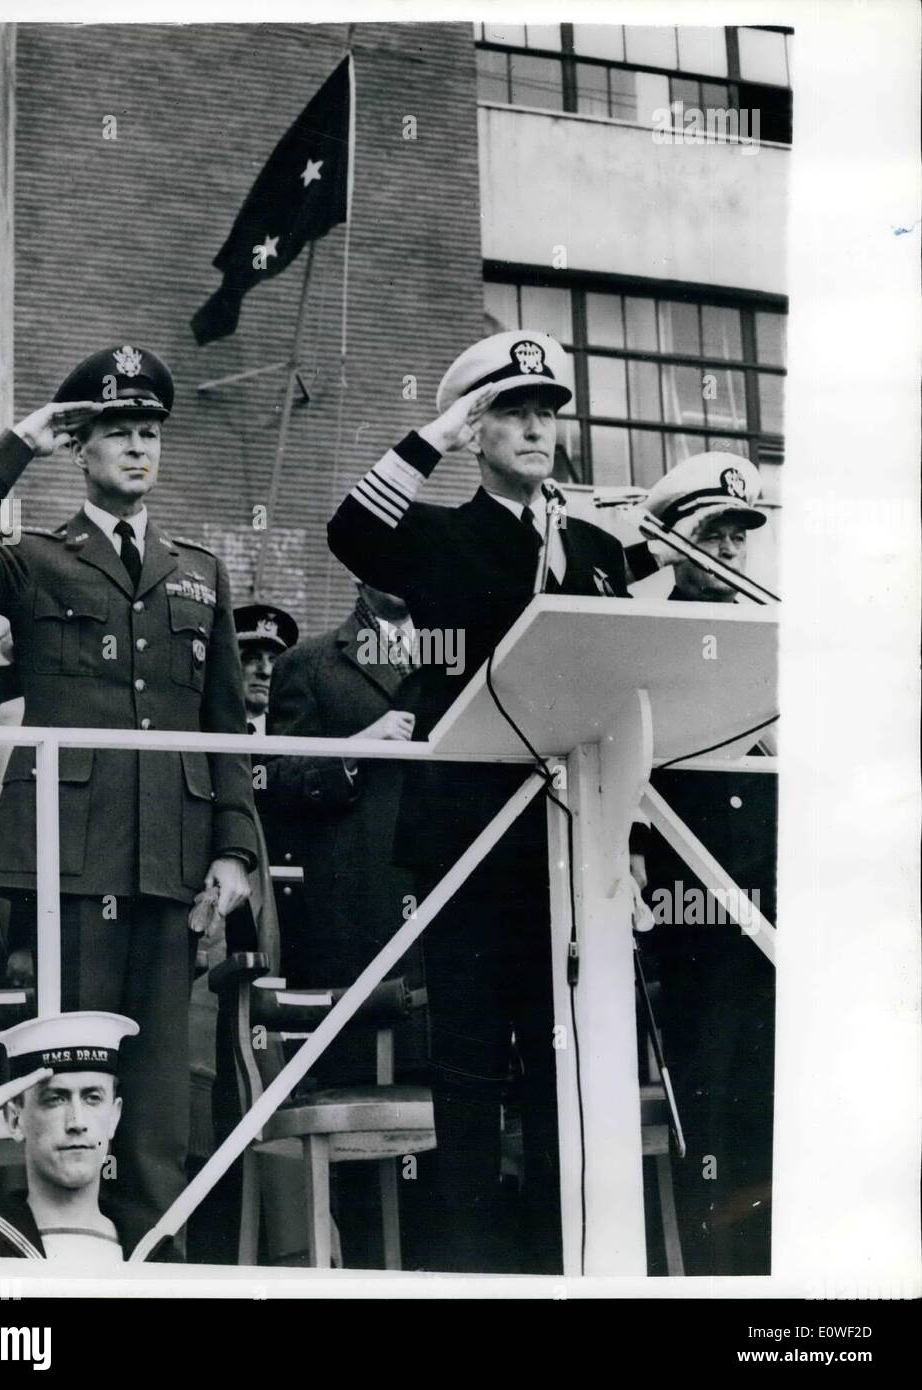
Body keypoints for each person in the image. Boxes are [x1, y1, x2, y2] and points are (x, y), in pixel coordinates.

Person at [0, 345, 257, 1248]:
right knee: (71, 1079)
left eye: (150, 433)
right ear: (82, 446)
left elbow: (225, 727)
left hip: (171, 862)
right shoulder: (36, 559)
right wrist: (20, 441)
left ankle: (157, 1261)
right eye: (116, 432)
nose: (138, 448)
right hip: (69, 858)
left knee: (155, 1099)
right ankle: (69, 1261)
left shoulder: (200, 571)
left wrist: (234, 850)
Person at [326, 330, 633, 1273]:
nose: (536, 430)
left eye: (547, 415)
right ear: (478, 428)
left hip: (569, 835)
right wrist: (431, 435)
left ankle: (559, 1262)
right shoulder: (442, 536)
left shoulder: (595, 547)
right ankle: (468, 1270)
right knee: (468, 1067)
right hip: (470, 835)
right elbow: (351, 531)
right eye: (512, 414)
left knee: (560, 1063)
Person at [634, 452, 778, 1274]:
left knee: (777, 1104)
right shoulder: (651, 641)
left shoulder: (779, 640)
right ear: (676, 543)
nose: (731, 553)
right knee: (714, 1111)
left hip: (777, 912)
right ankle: (718, 1279)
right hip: (697, 914)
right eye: (715, 536)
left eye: (741, 538)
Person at [264, 579, 433, 1268]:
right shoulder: (307, 663)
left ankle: (442, 1270)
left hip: (445, 898)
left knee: (445, 1100)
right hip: (353, 916)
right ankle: (366, 1272)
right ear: (362, 571)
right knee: (364, 1106)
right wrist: (358, 747)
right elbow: (276, 780)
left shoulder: (460, 649)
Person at [0, 1010, 177, 1263]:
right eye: (55, 1099)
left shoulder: (155, 1256)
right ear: (15, 1120)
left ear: (114, 1117)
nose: (77, 1122)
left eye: (93, 1098)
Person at [232, 602, 300, 735]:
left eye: (275, 662)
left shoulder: (290, 737)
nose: (266, 671)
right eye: (253, 658)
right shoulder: (203, 731)